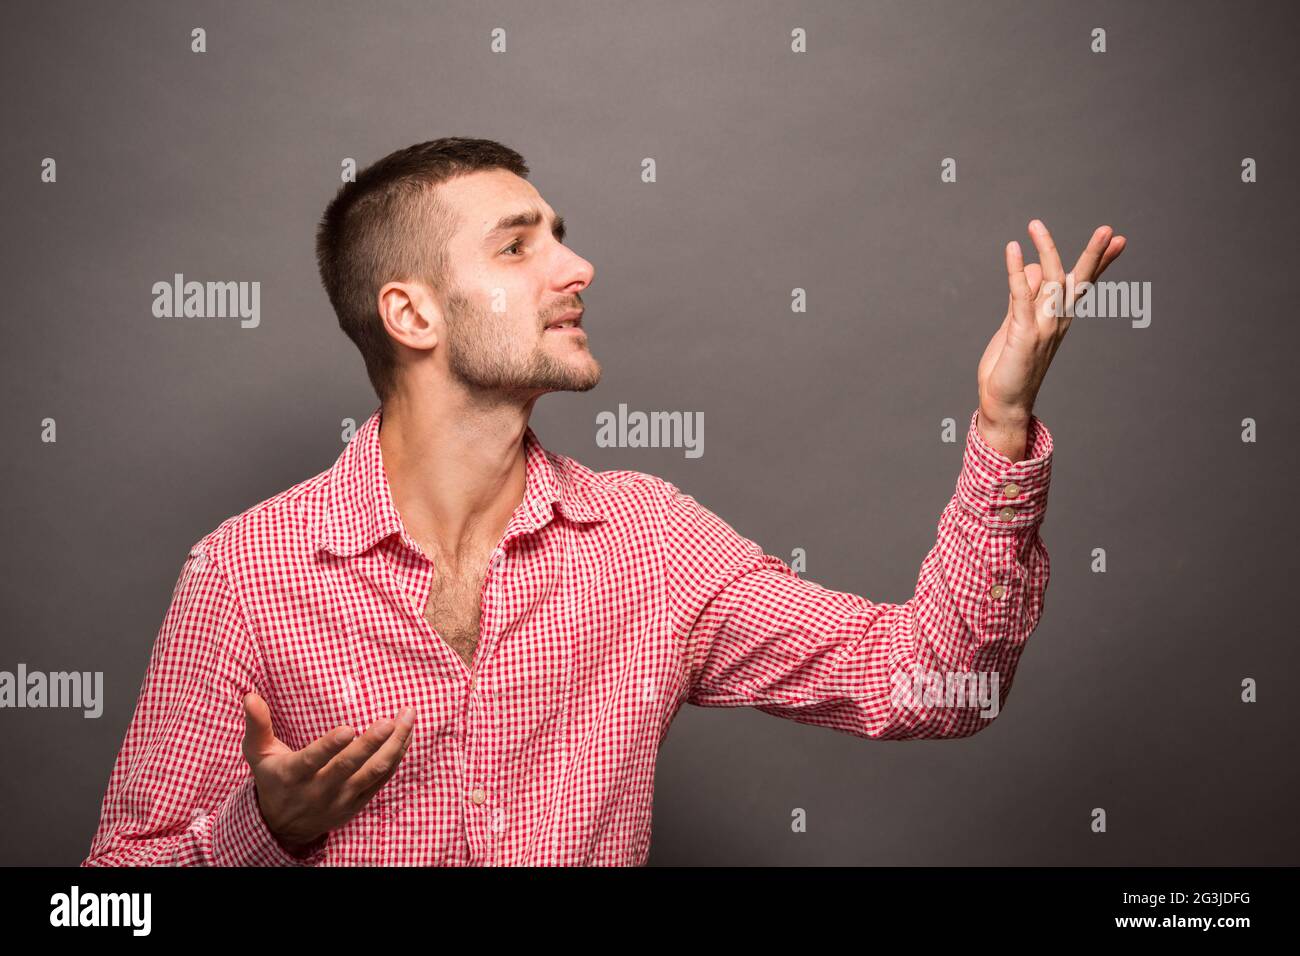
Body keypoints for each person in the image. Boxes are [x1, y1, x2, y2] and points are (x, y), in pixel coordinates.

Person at [83, 136, 1125, 866]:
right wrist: (263, 830)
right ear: (409, 312)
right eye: (517, 244)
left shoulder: (648, 544)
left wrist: (997, 424)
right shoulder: (246, 570)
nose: (576, 267)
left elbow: (931, 684)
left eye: (560, 236)